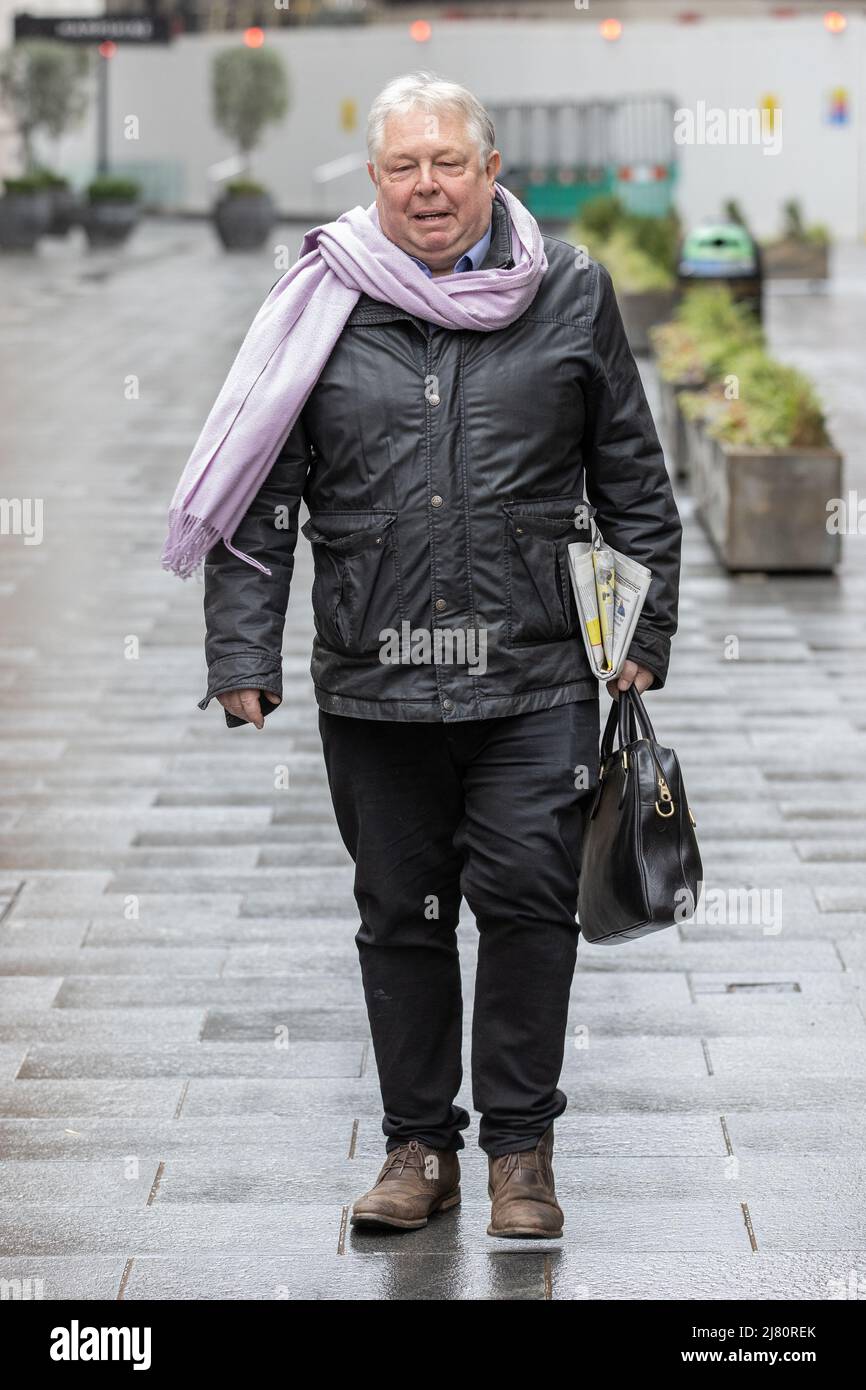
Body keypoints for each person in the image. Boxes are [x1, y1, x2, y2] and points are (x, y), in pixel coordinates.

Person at [181, 71, 682, 1239]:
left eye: (446, 164)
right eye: (401, 167)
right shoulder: (319, 300)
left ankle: (518, 1154)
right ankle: (417, 1148)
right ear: (372, 180)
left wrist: (641, 636)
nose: (425, 187)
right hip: (374, 677)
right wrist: (239, 648)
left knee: (524, 906)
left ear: (489, 170)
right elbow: (257, 496)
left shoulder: (568, 292)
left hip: (535, 674)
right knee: (398, 916)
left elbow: (633, 480)